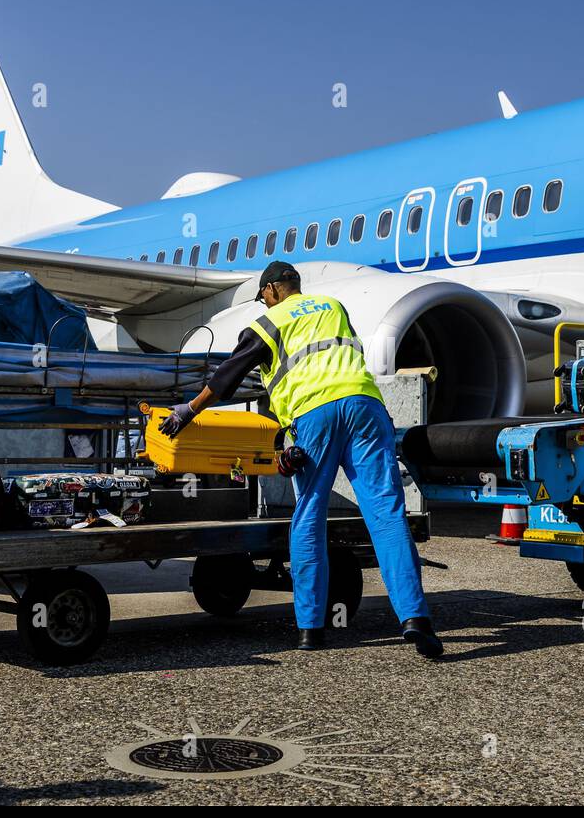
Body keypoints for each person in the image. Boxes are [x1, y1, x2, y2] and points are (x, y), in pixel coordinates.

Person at [160, 261, 443, 657]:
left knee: (310, 514)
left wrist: (188, 411)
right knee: (386, 514)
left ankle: (310, 629)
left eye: (263, 296)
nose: (264, 302)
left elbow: (227, 377)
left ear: (272, 290)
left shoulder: (268, 322)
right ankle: (415, 619)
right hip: (365, 406)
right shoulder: (332, 306)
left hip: (316, 415)